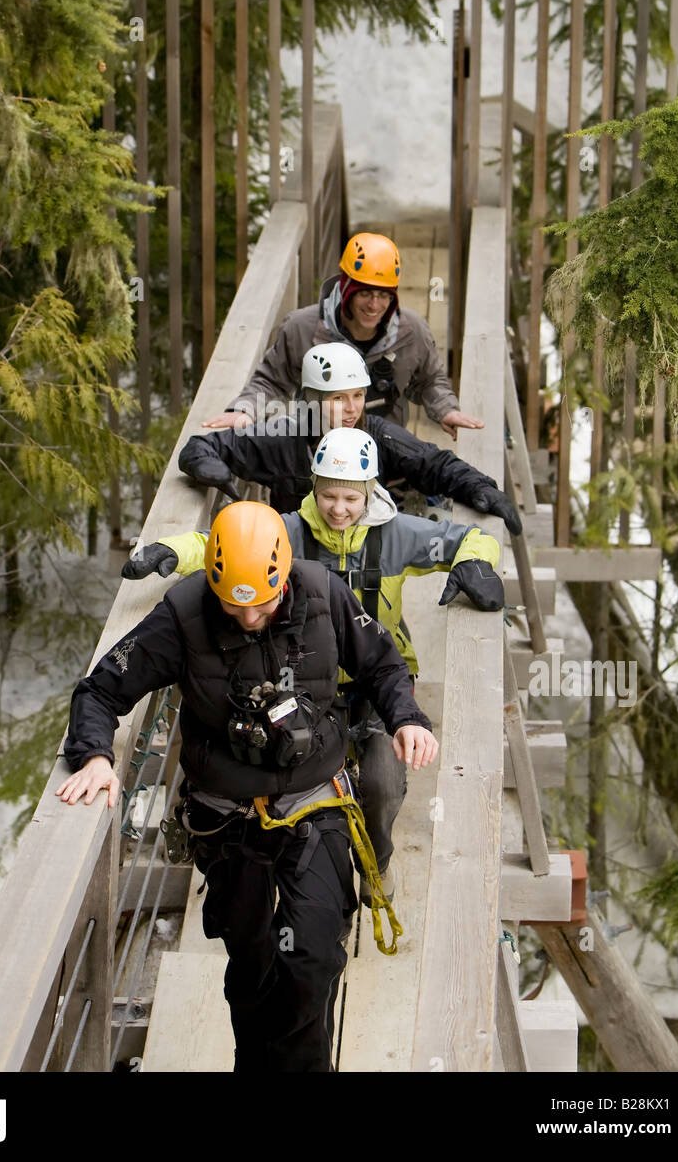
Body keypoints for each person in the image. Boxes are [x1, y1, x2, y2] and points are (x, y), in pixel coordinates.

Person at [57, 500, 437, 1073]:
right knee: (254, 963)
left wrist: (407, 717)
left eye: (261, 600)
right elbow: (101, 688)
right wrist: (94, 755)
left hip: (317, 800)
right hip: (228, 817)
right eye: (236, 605)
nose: (250, 616)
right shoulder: (185, 613)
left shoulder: (324, 593)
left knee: (310, 955)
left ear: (284, 575)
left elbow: (383, 664)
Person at [122, 429, 504, 902]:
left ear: (370, 492)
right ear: (313, 489)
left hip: (377, 674)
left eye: (350, 498)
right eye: (327, 495)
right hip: (301, 680)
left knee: (383, 782)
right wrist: (174, 552)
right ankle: (299, 881)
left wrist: (476, 565)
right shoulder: (289, 532)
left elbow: (470, 538)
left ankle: (376, 863)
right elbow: (223, 544)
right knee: (297, 773)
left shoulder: (398, 534)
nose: (338, 509)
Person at [176, 340, 521, 526]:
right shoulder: (284, 437)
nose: (353, 409)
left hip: (364, 563)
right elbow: (204, 446)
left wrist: (479, 486)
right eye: (338, 399)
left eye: (357, 396)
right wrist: (207, 465)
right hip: (296, 559)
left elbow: (433, 463)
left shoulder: (378, 436)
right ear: (311, 400)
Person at [203, 231, 482, 439]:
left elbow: (429, 380)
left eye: (384, 295)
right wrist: (244, 411)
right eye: (365, 294)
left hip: (383, 459)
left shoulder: (413, 333)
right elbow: (270, 381)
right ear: (347, 288)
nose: (374, 306)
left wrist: (446, 409)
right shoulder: (302, 328)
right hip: (312, 456)